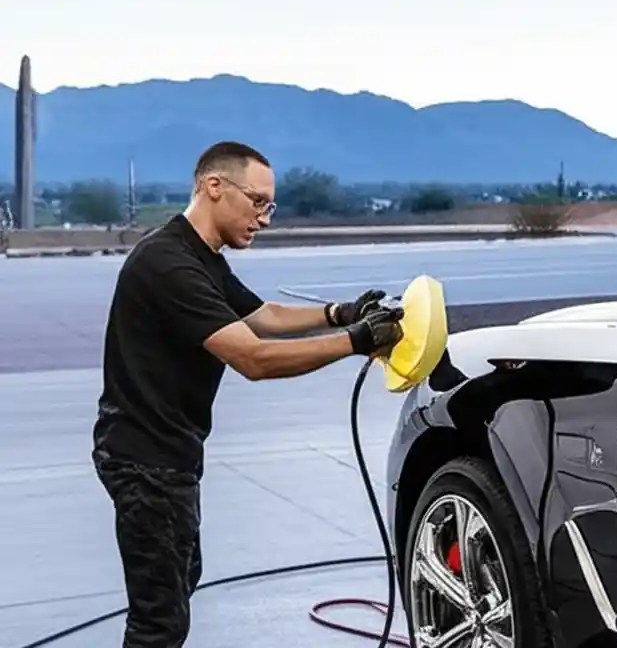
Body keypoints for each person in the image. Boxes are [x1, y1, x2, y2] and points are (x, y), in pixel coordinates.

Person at [91, 140, 403, 647]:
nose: (264, 218)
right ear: (214, 186)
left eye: (270, 206)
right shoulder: (169, 265)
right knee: (158, 622)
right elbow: (254, 358)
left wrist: (340, 313)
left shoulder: (200, 256)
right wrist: (357, 340)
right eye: (257, 202)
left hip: (165, 454)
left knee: (177, 585)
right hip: (147, 461)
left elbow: (263, 316)